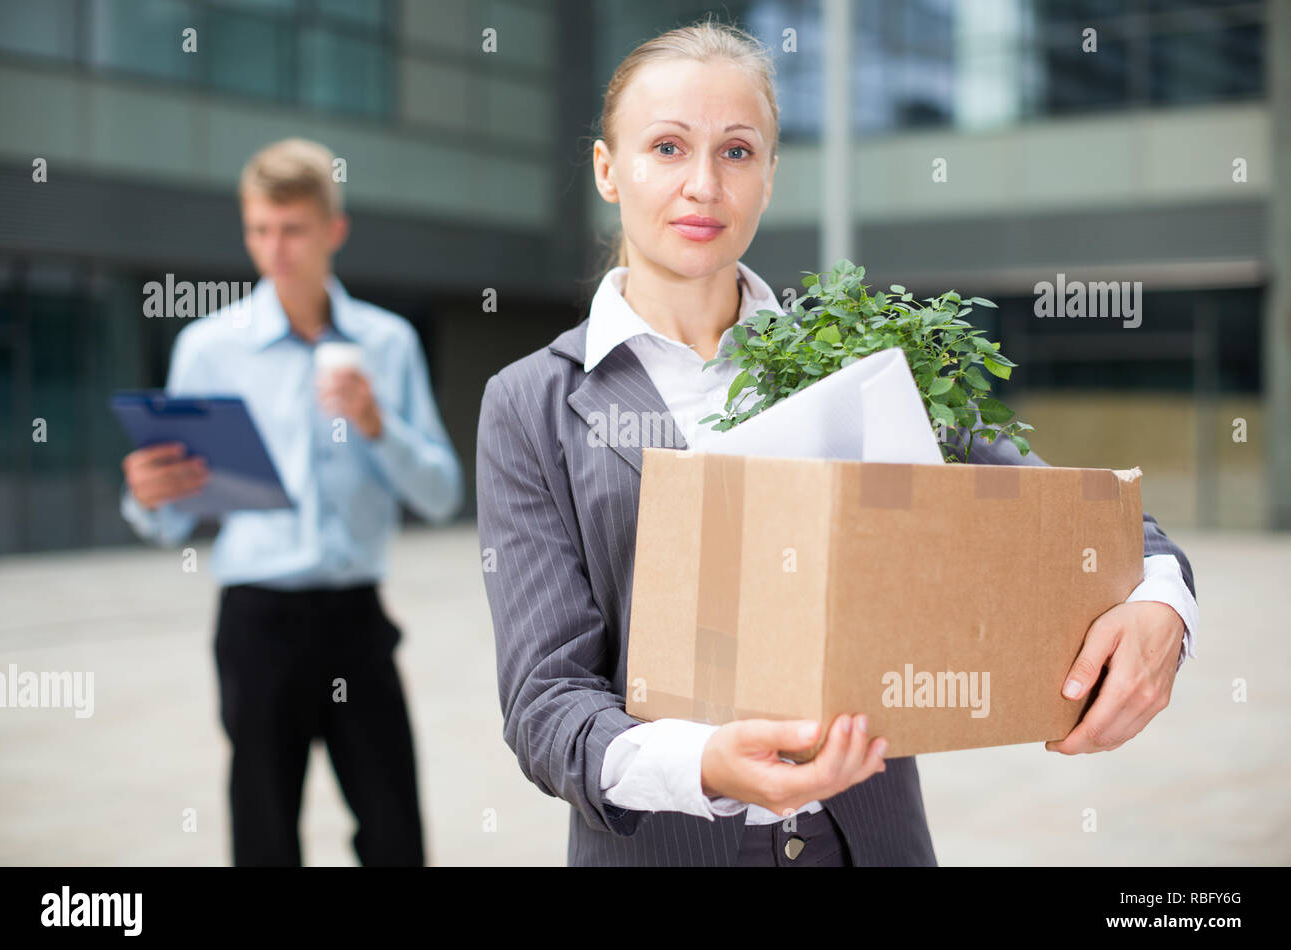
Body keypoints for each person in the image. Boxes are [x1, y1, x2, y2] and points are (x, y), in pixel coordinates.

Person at [475, 21, 1199, 867]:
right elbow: (545, 704)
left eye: (737, 151)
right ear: (608, 169)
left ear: (772, 176)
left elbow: (1076, 524)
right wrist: (704, 765)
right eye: (667, 147)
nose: (703, 185)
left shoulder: (864, 361)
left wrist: (1161, 606)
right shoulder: (530, 406)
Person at [120, 138, 463, 866]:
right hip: (255, 621)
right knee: (265, 840)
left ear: (333, 230)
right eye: (260, 229)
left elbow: (439, 495)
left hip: (356, 620)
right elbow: (175, 516)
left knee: (397, 838)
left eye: (293, 229)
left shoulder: (388, 343)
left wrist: (378, 425)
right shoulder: (210, 348)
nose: (275, 248)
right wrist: (148, 499)